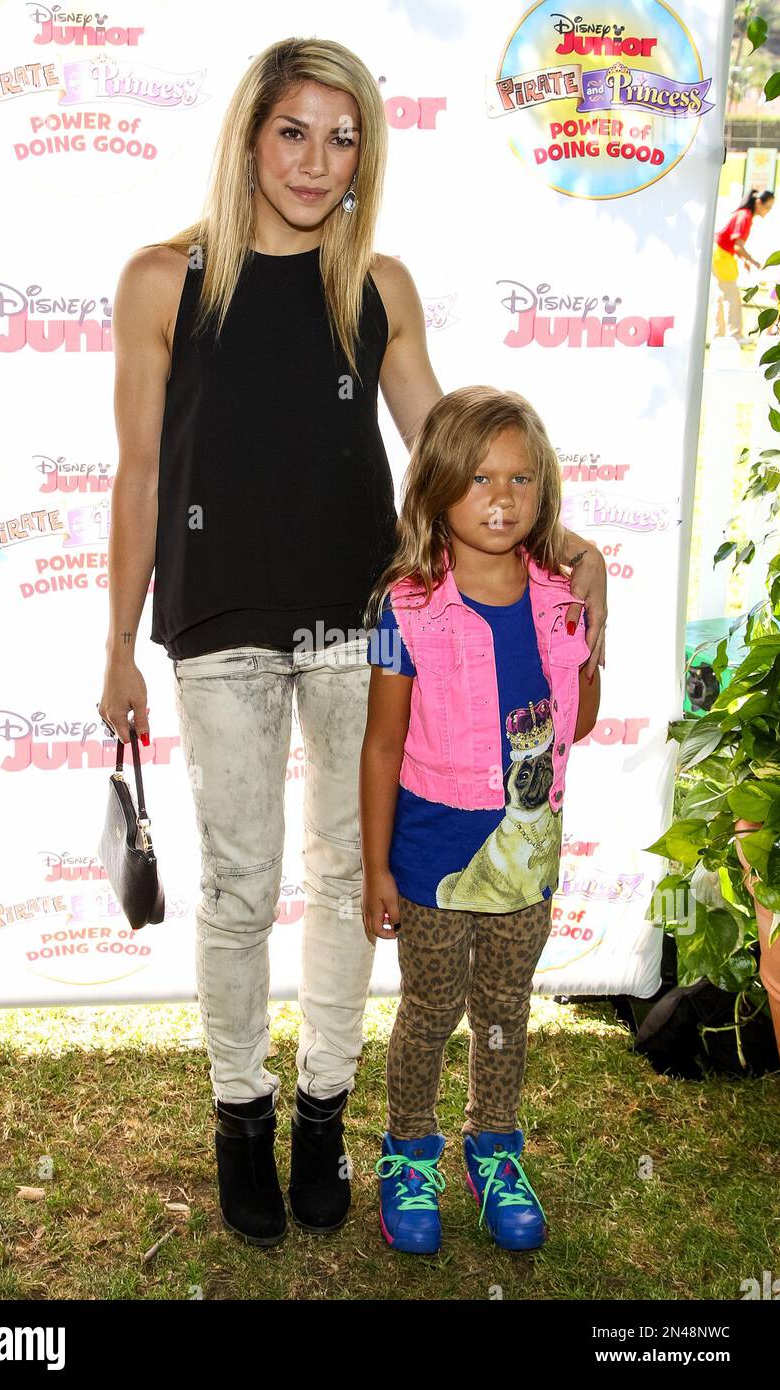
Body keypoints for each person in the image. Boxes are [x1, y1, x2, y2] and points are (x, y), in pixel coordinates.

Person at [96, 36, 609, 1250]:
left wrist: (560, 534)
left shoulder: (375, 286)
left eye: (344, 138)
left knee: (341, 876)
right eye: (295, 131)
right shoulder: (164, 279)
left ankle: (324, 1113)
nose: (318, 160)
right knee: (234, 885)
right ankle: (240, 1115)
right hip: (216, 612)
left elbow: (443, 444)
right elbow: (136, 474)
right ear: (249, 132)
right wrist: (116, 640)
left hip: (356, 612)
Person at [359, 386, 602, 1254]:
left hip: (527, 853)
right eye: (478, 478)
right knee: (431, 1007)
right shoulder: (403, 610)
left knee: (505, 1004)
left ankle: (494, 1148)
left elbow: (580, 719)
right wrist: (376, 866)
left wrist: (587, 629)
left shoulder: (558, 598)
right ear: (434, 491)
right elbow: (382, 747)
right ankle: (410, 1153)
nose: (502, 498)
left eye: (522, 480)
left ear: (544, 494)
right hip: (430, 851)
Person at [712, 187, 775, 344]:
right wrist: (753, 261)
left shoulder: (744, 215)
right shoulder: (745, 216)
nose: (767, 211)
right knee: (732, 297)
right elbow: (738, 246)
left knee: (722, 297)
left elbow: (735, 246)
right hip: (721, 256)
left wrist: (745, 260)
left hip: (722, 255)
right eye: (767, 207)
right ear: (758, 203)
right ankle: (735, 335)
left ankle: (718, 335)